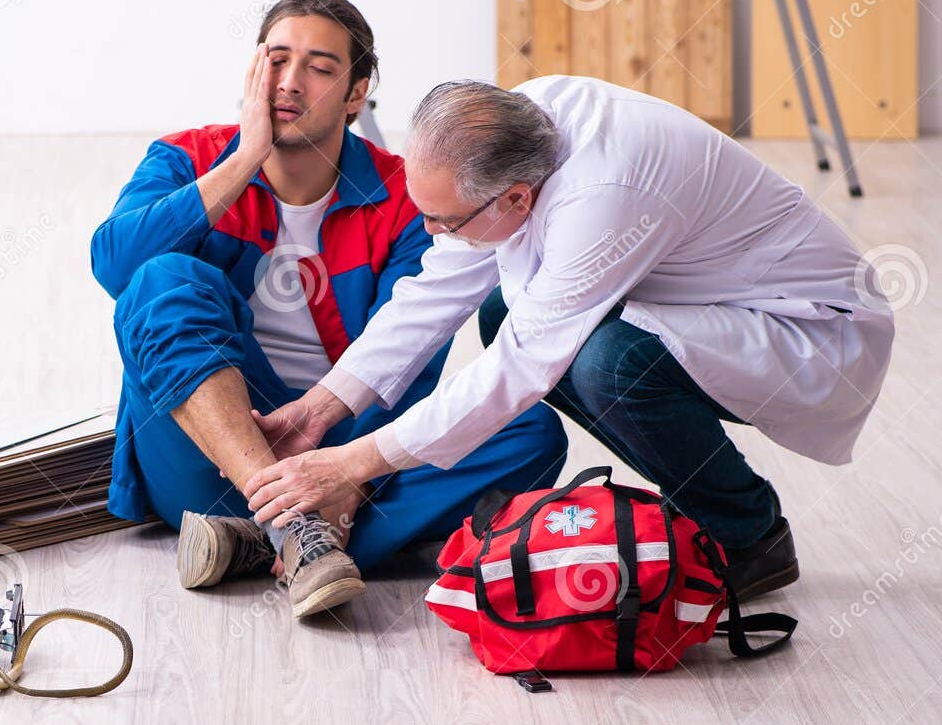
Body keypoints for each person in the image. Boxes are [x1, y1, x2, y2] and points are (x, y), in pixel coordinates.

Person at [244, 75, 895, 600]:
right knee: (505, 314)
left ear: (518, 201)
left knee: (611, 365)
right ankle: (704, 504)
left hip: (810, 328)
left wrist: (352, 463)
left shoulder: (604, 196)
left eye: (443, 220)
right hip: (715, 306)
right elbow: (435, 289)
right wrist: (320, 406)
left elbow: (522, 367)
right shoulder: (515, 131)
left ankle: (748, 536)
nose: (432, 233)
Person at [90, 0, 566, 618]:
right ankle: (295, 531)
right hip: (206, 447)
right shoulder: (189, 158)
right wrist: (246, 157)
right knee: (163, 279)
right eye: (277, 60)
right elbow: (117, 268)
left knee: (531, 432)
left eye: (318, 68)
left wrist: (345, 470)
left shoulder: (409, 193)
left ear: (355, 93)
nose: (289, 83)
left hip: (340, 445)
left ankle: (257, 543)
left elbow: (409, 364)